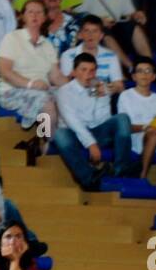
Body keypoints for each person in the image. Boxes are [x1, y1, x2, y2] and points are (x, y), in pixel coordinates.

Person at [51, 51, 133, 190]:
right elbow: (73, 122)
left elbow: (103, 119)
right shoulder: (64, 92)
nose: (89, 74)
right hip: (74, 135)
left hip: (96, 131)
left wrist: (102, 97)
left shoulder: (99, 86)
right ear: (74, 72)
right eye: (84, 70)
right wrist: (91, 144)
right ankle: (88, 178)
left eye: (92, 70)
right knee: (60, 134)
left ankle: (120, 171)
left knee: (122, 118)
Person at [0, 0, 65, 157]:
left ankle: (50, 142)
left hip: (41, 90)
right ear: (23, 17)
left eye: (39, 12)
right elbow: (4, 71)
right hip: (13, 91)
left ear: (44, 18)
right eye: (30, 12)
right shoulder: (12, 38)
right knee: (47, 103)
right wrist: (30, 84)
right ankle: (47, 143)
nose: (34, 15)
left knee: (67, 98)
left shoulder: (47, 45)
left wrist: (79, 84)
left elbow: (56, 77)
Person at [58, 15, 122, 89]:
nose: (90, 35)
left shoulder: (111, 56)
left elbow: (119, 85)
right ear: (80, 35)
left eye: (95, 31)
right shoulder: (68, 55)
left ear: (101, 36)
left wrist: (106, 89)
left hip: (101, 98)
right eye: (86, 30)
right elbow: (65, 85)